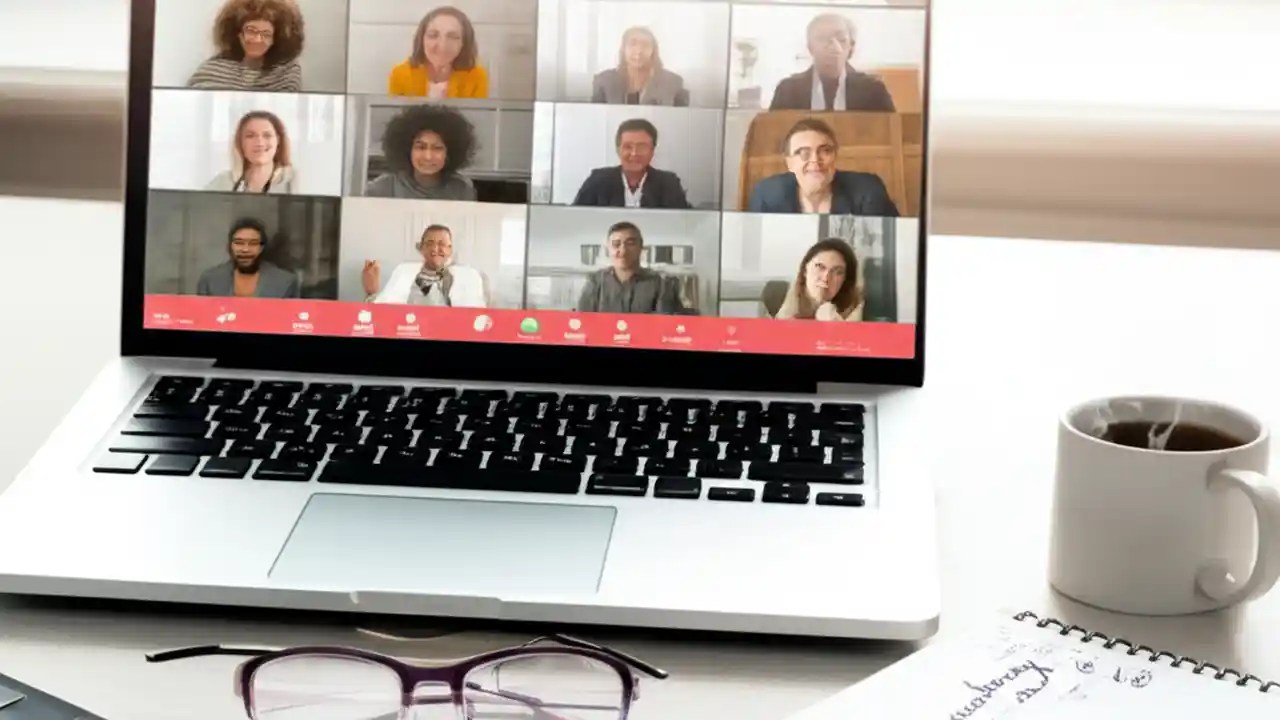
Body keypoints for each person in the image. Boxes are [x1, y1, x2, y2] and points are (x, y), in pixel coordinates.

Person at [748, 118, 899, 216]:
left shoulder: (868, 191)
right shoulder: (766, 195)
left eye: (825, 151)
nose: (815, 160)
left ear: (835, 156)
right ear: (789, 163)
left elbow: (894, 245)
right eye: (803, 153)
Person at [768, 13, 894, 112]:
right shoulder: (787, 90)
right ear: (810, 47)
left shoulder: (873, 90)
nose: (833, 46)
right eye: (823, 38)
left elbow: (893, 134)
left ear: (851, 46)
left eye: (841, 39)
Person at [364, 104, 478, 201]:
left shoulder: (462, 190)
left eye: (437, 148)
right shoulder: (382, 188)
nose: (428, 156)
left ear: (449, 152)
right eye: (421, 147)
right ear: (408, 149)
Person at [186, 0, 304, 92]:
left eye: (266, 34)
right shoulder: (212, 69)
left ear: (276, 39)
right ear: (238, 33)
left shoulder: (286, 72)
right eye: (251, 31)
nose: (258, 40)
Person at [572, 119, 692, 209]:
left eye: (642, 147)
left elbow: (681, 224)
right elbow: (577, 218)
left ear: (652, 150)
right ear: (618, 150)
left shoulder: (669, 183)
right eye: (628, 147)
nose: (634, 154)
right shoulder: (598, 180)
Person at [361, 225, 490, 307]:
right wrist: (371, 292)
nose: (435, 248)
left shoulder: (467, 276)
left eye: (442, 244)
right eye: (429, 243)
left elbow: (477, 317)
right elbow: (383, 312)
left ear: (450, 250)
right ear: (421, 248)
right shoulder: (404, 272)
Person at [577, 222, 683, 315]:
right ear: (608, 249)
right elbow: (583, 323)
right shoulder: (595, 282)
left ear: (641, 247)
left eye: (630, 243)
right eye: (616, 244)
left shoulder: (661, 284)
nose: (623, 251)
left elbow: (665, 327)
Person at [388, 7, 489, 99]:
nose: (442, 45)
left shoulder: (476, 76)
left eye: (452, 37)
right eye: (433, 35)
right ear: (421, 40)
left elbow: (475, 118)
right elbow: (397, 118)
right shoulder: (400, 74)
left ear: (464, 43)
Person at [196, 218, 301, 299]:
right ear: (230, 246)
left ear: (261, 247)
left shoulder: (286, 281)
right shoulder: (209, 280)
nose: (245, 249)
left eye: (253, 243)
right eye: (239, 243)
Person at [591, 27, 688, 106]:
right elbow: (596, 119)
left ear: (653, 51)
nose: (638, 51)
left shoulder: (673, 83)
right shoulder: (604, 81)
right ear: (623, 49)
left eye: (645, 45)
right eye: (632, 44)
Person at [205, 110, 296, 194]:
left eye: (267, 135)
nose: (259, 143)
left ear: (278, 141)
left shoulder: (295, 180)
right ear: (240, 142)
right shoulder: (223, 181)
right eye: (250, 136)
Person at [775, 238, 864, 322]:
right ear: (805, 270)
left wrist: (838, 326)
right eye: (820, 267)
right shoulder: (778, 305)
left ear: (845, 279)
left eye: (837, 272)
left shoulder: (857, 313)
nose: (826, 278)